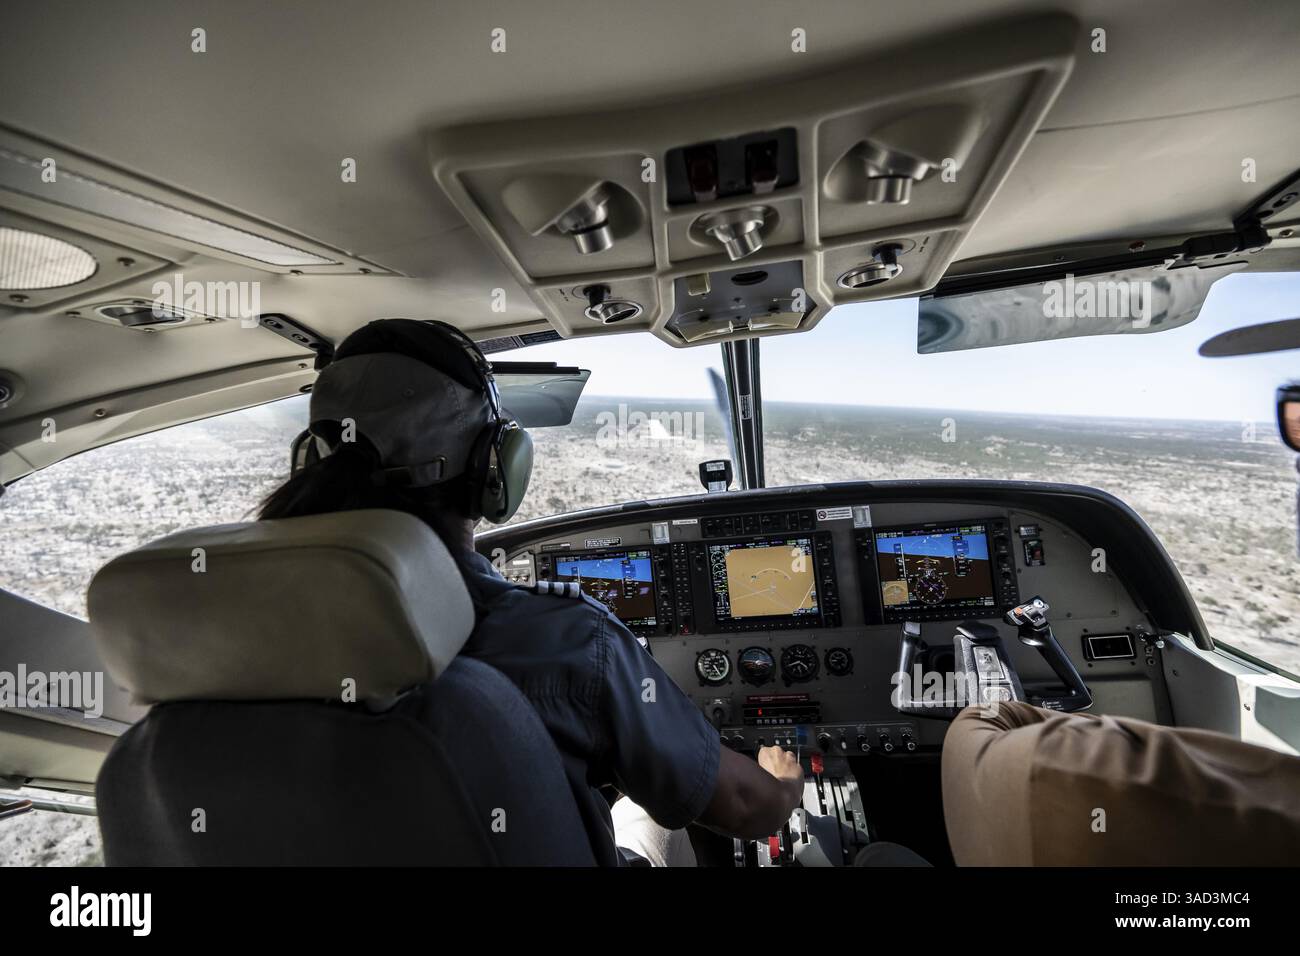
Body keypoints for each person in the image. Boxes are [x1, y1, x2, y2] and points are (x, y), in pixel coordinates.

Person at [258, 318, 804, 865]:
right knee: (648, 818)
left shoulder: (246, 641)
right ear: (491, 467)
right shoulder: (565, 638)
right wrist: (781, 786)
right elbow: (742, 806)